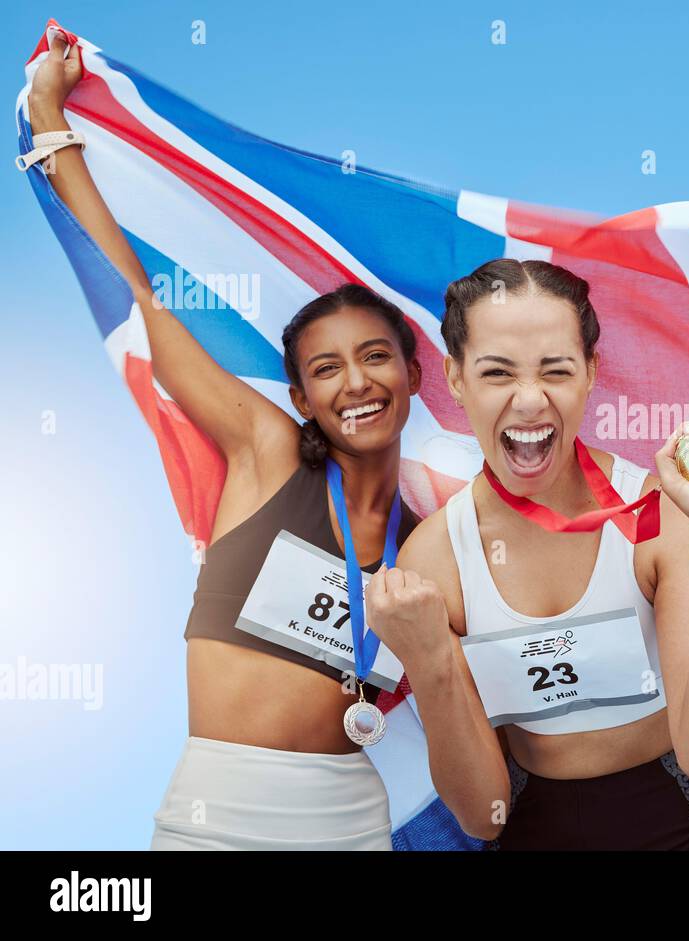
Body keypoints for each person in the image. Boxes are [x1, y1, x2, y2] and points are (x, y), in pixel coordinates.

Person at [27, 33, 426, 849]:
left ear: (416, 376)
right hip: (216, 820)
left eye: (376, 356)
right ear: (303, 398)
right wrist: (49, 122)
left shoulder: (433, 544)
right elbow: (146, 301)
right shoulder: (267, 449)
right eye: (327, 369)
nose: (356, 383)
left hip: (357, 822)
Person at [365, 259, 689, 850]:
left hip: (679, 820)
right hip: (527, 825)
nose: (529, 401)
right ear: (454, 377)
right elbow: (482, 818)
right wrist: (431, 660)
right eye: (498, 372)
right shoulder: (437, 558)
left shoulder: (655, 513)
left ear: (591, 373)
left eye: (556, 370)